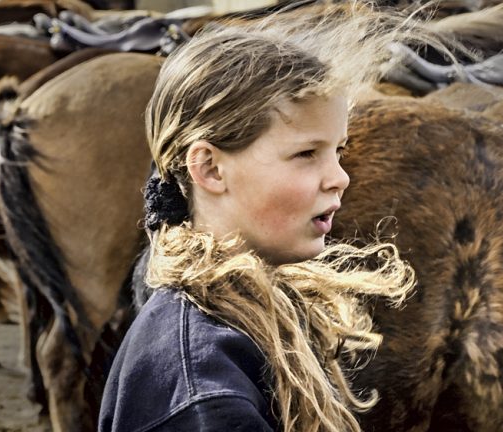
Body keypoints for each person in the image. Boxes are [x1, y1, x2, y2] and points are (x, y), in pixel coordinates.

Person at [98, 6, 426, 431]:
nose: (340, 178)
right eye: (306, 154)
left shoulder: (249, 315)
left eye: (338, 151)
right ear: (211, 169)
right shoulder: (202, 390)